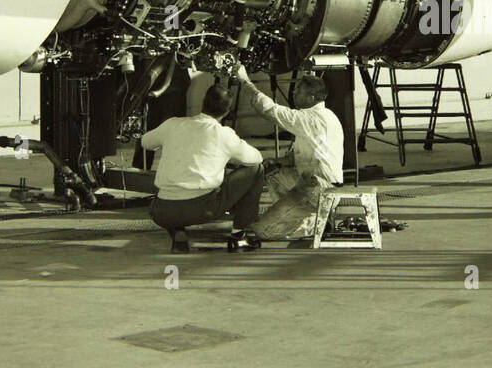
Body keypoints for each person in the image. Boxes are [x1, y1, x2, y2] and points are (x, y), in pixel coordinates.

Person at [141, 83, 264, 253]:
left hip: (162, 212)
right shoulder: (223, 133)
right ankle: (239, 235)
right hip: (203, 210)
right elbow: (256, 159)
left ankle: (177, 231)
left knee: (172, 188)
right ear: (227, 113)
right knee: (257, 170)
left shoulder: (173, 124)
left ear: (203, 103)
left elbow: (145, 142)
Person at [235, 66, 344, 246]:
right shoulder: (326, 116)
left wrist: (245, 81)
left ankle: (305, 224)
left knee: (261, 231)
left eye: (298, 91)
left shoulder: (310, 118)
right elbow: (305, 154)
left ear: (311, 98)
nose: (294, 94)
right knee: (272, 172)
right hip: (311, 182)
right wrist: (279, 162)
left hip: (318, 189)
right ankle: (301, 218)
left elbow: (270, 110)